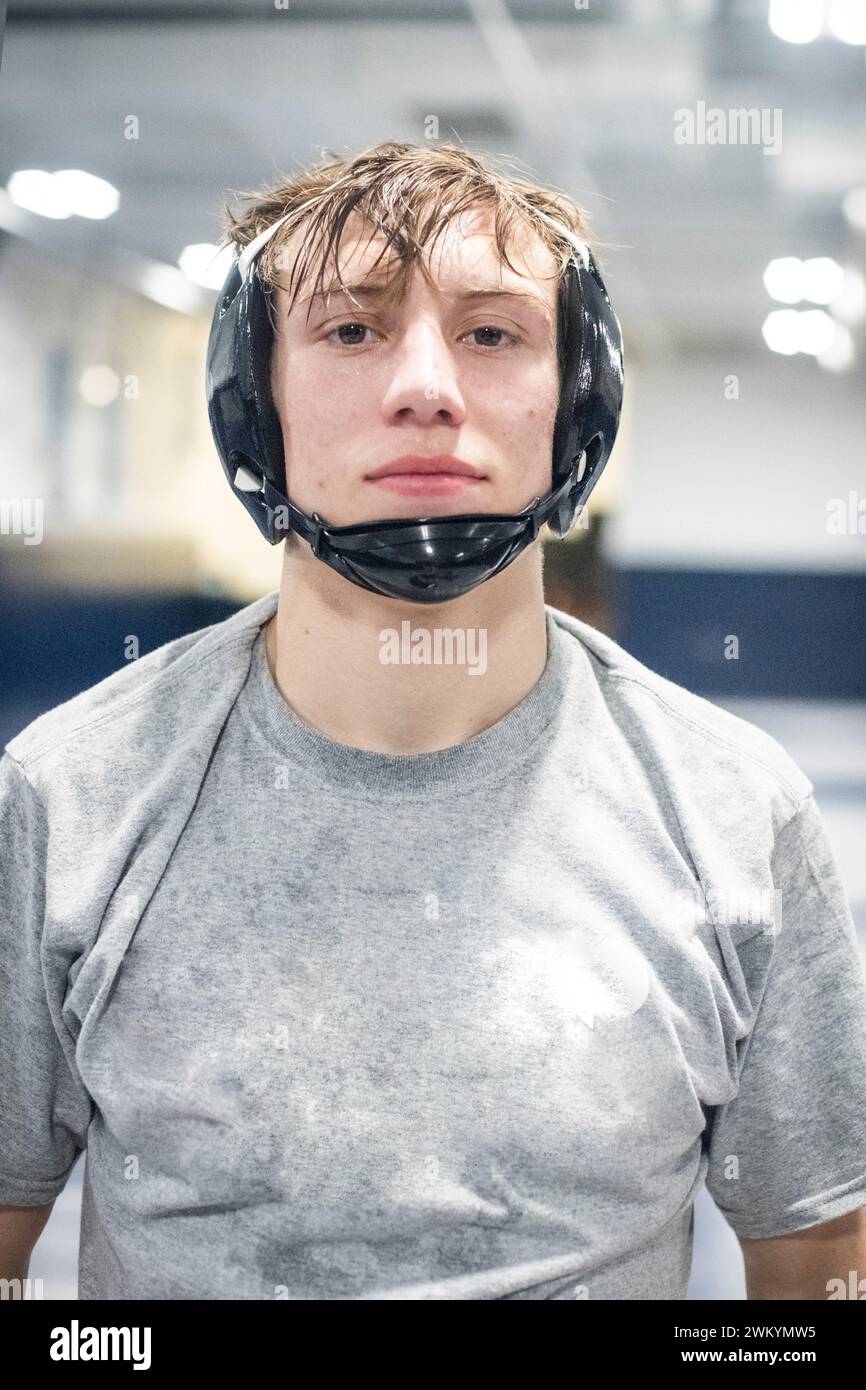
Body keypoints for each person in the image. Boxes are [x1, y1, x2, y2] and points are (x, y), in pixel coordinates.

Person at [1, 141, 865, 1302]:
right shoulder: (68, 795)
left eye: (492, 332)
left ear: (578, 401)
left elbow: (814, 1265)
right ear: (253, 400)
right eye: (350, 330)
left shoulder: (731, 810)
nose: (426, 386)